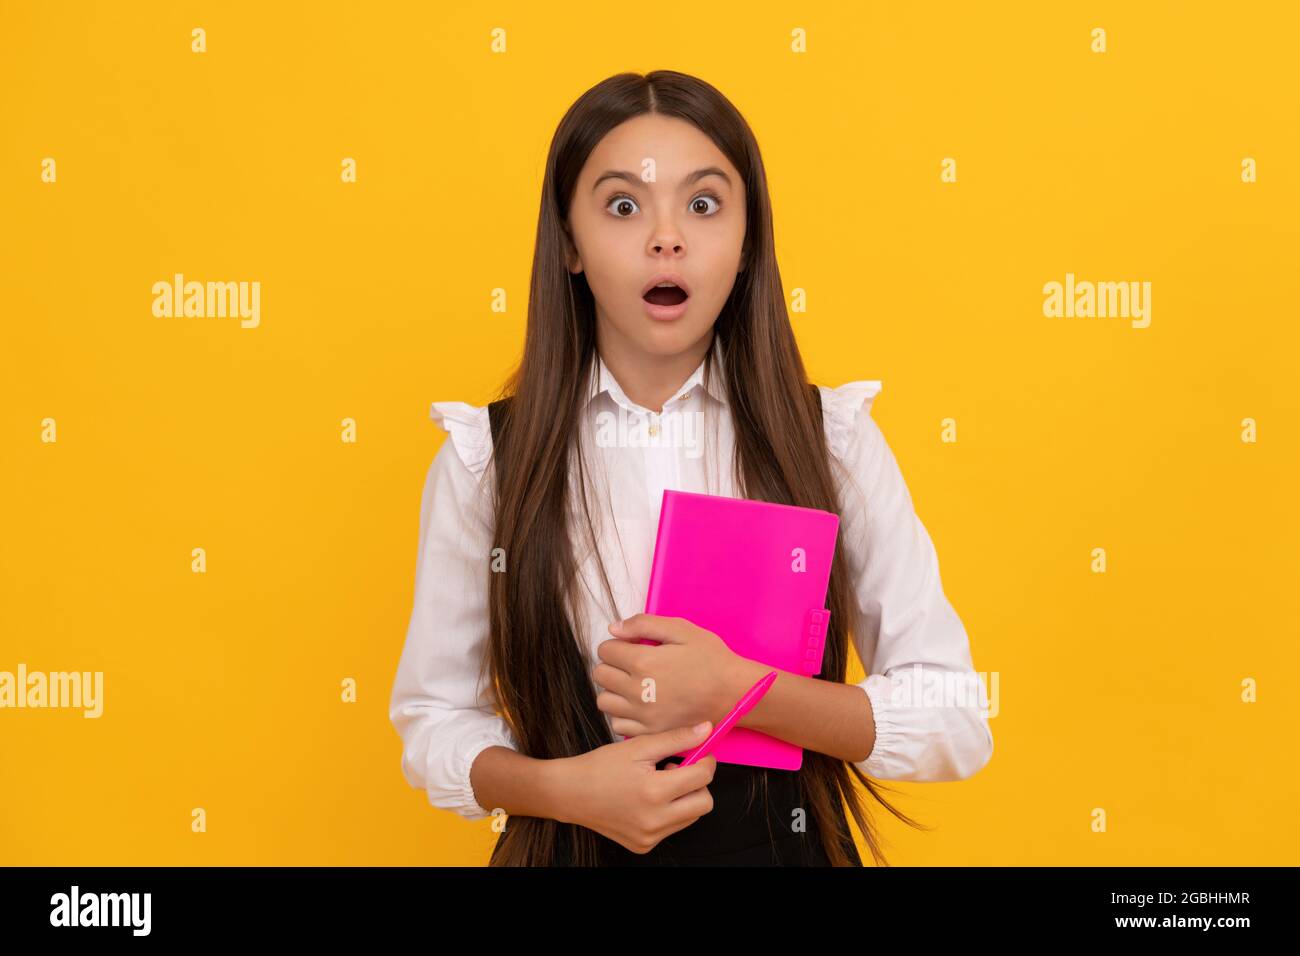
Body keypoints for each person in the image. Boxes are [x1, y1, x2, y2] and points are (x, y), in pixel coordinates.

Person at [388, 70, 993, 867]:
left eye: (703, 205)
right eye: (623, 206)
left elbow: (954, 717)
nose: (665, 237)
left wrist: (741, 692)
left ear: (747, 244)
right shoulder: (486, 459)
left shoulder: (833, 442)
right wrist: (567, 790)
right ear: (568, 241)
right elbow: (434, 720)